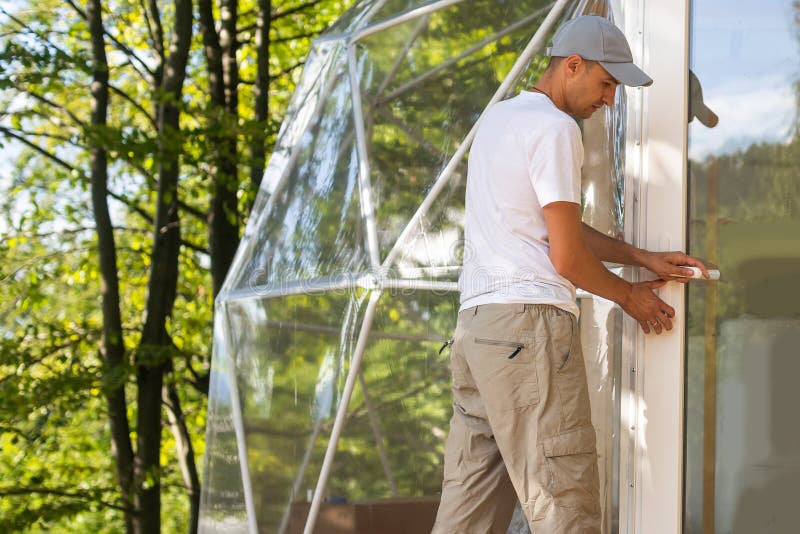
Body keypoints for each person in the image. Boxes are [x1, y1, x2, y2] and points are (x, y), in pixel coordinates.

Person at [432, 15, 709, 533]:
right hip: (528, 334)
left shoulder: (499, 119)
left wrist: (640, 256)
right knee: (566, 507)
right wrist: (632, 297)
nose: (608, 99)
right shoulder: (557, 129)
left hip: (479, 332)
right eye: (605, 83)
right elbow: (566, 259)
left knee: (467, 514)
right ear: (572, 65)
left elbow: (557, 227)